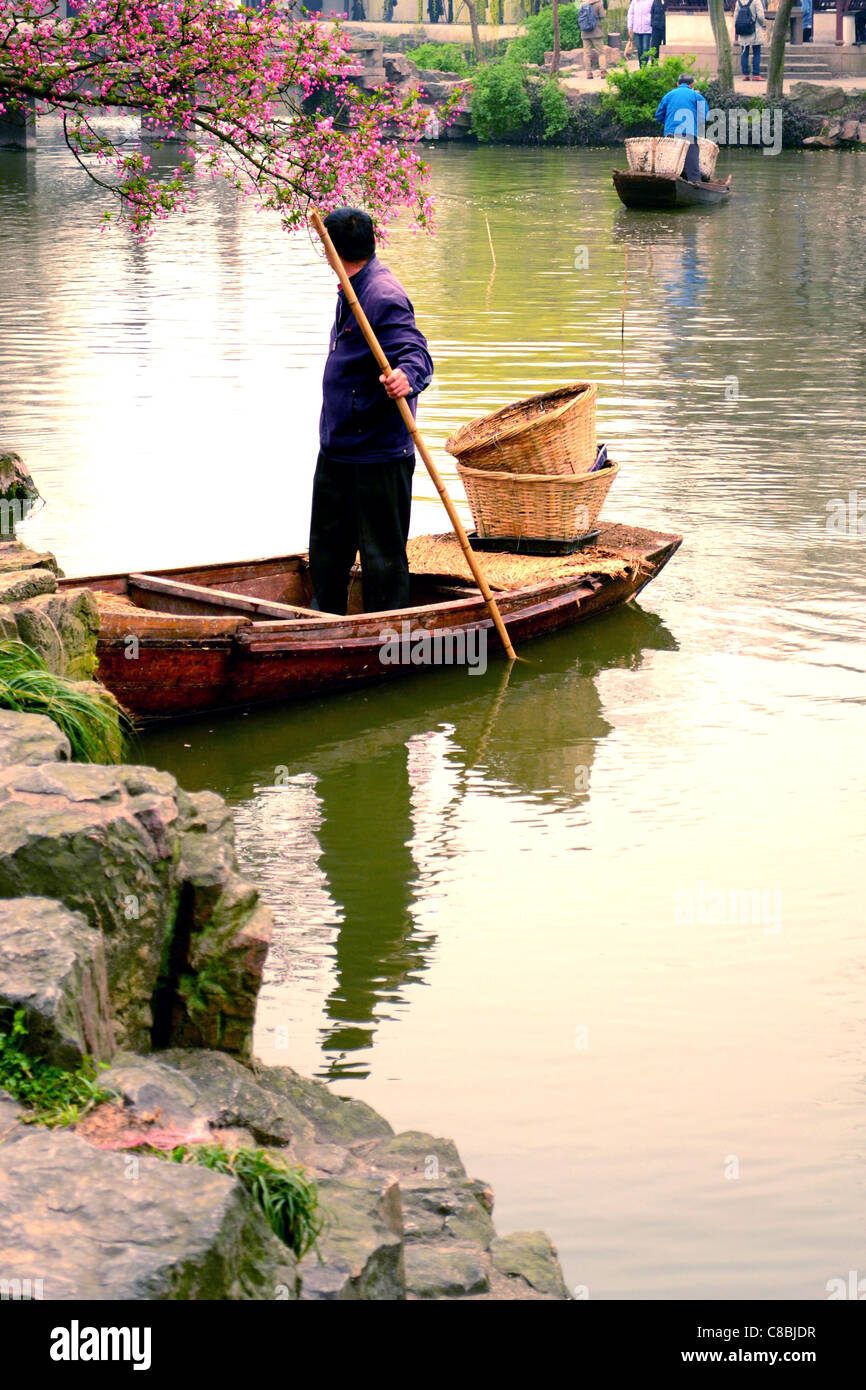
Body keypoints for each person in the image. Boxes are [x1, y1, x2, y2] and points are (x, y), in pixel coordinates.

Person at [310, 208, 434, 616]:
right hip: (338, 450)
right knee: (326, 557)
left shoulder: (382, 294)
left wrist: (406, 376)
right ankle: (323, 626)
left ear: (333, 250)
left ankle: (389, 639)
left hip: (378, 456)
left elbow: (416, 354)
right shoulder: (350, 287)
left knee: (382, 561)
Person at [654, 73, 710, 182]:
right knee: (692, 164)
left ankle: (666, 182)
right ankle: (695, 182)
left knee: (669, 163)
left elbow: (659, 115)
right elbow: (704, 117)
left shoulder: (668, 95)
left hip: (670, 134)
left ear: (677, 84)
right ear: (692, 84)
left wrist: (669, 124)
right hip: (689, 133)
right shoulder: (697, 96)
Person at [732, 0, 766, 82]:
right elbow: (761, 16)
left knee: (744, 53)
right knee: (756, 52)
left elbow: (735, 16)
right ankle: (756, 74)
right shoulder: (756, 1)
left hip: (743, 31)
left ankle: (745, 75)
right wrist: (763, 24)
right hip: (755, 31)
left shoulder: (739, 1)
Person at [577, 0, 608, 79]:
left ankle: (589, 73)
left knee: (587, 54)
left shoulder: (582, 4)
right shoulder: (599, 3)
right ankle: (603, 72)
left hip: (585, 32)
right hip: (596, 32)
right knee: (601, 53)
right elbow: (602, 15)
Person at [626, 0, 655, 65]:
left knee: (645, 49)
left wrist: (652, 24)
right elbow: (631, 14)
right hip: (637, 29)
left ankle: (644, 66)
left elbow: (654, 13)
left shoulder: (651, 1)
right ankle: (641, 66)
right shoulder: (634, 1)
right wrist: (630, 27)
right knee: (639, 49)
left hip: (647, 29)